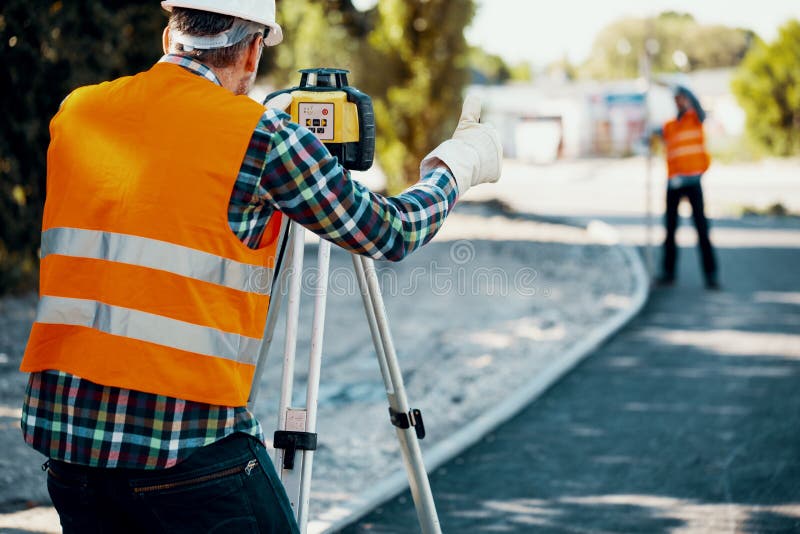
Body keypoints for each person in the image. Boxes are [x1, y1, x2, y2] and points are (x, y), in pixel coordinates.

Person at [18, 1, 503, 532]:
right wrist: (455, 166)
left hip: (66, 446)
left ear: (168, 35)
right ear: (251, 52)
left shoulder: (77, 112)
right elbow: (389, 232)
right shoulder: (261, 135)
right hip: (186, 448)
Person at [656, 85, 719, 289]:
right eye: (676, 98)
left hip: (693, 182)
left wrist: (678, 85)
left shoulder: (696, 118)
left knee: (702, 229)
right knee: (670, 230)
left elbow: (696, 102)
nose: (679, 101)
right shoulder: (670, 126)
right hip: (674, 182)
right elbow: (653, 136)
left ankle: (711, 275)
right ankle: (668, 273)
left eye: (681, 98)